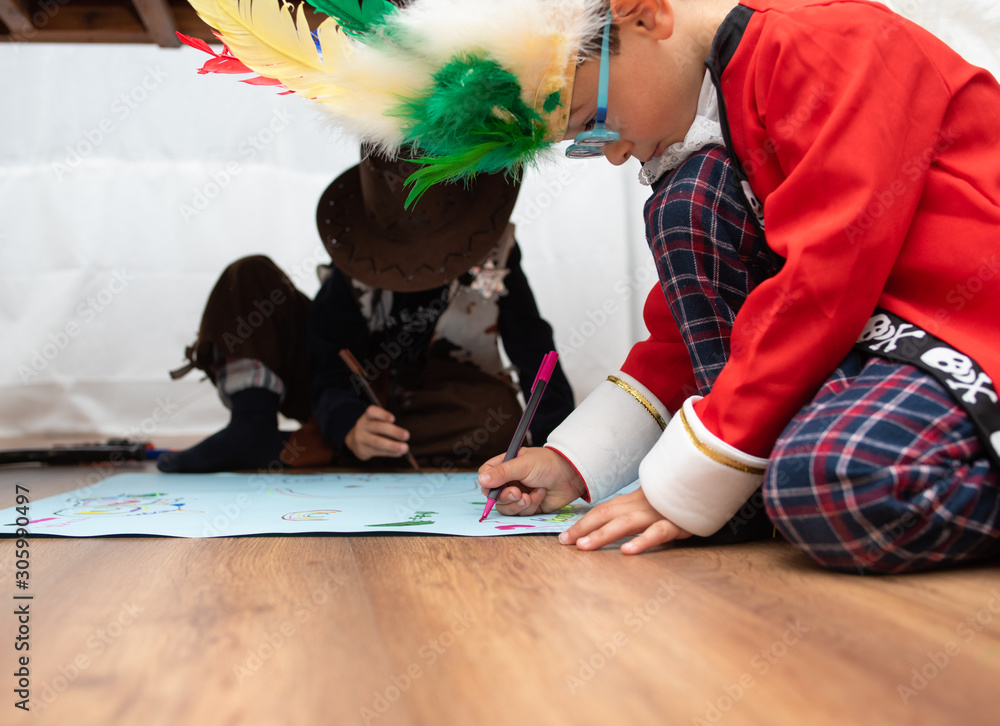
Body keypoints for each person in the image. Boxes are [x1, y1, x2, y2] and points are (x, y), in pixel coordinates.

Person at [182, 0, 1000, 574]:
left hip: (965, 337)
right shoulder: (711, 146)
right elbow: (682, 338)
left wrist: (686, 482)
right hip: (871, 349)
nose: (610, 153)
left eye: (590, 122)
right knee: (688, 202)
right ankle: (749, 490)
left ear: (646, 14)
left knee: (835, 480)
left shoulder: (828, 43)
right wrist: (574, 462)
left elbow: (827, 275)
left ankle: (767, 482)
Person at [157, 148, 573, 473]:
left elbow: (532, 345)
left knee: (496, 419)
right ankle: (253, 426)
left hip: (427, 398)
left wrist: (557, 444)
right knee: (248, 277)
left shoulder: (494, 254)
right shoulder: (362, 251)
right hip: (341, 389)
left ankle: (326, 447)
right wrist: (346, 419)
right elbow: (328, 358)